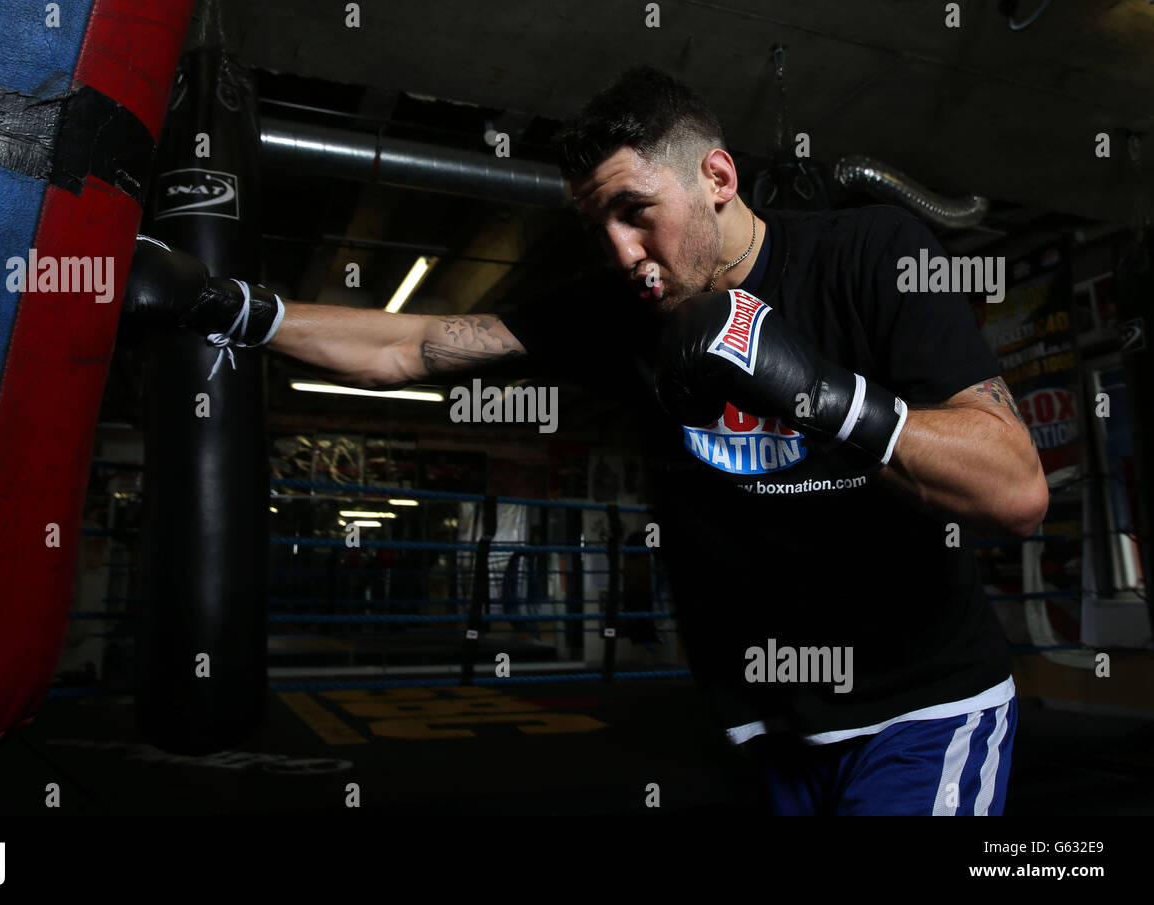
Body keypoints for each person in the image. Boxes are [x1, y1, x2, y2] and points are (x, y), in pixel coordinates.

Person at [125, 67, 1047, 815]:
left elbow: (1015, 490)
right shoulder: (623, 310)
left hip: (922, 706)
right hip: (760, 724)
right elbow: (417, 344)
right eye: (597, 222)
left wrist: (814, 389)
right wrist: (233, 308)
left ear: (716, 178)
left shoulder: (869, 255)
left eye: (636, 210)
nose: (620, 251)